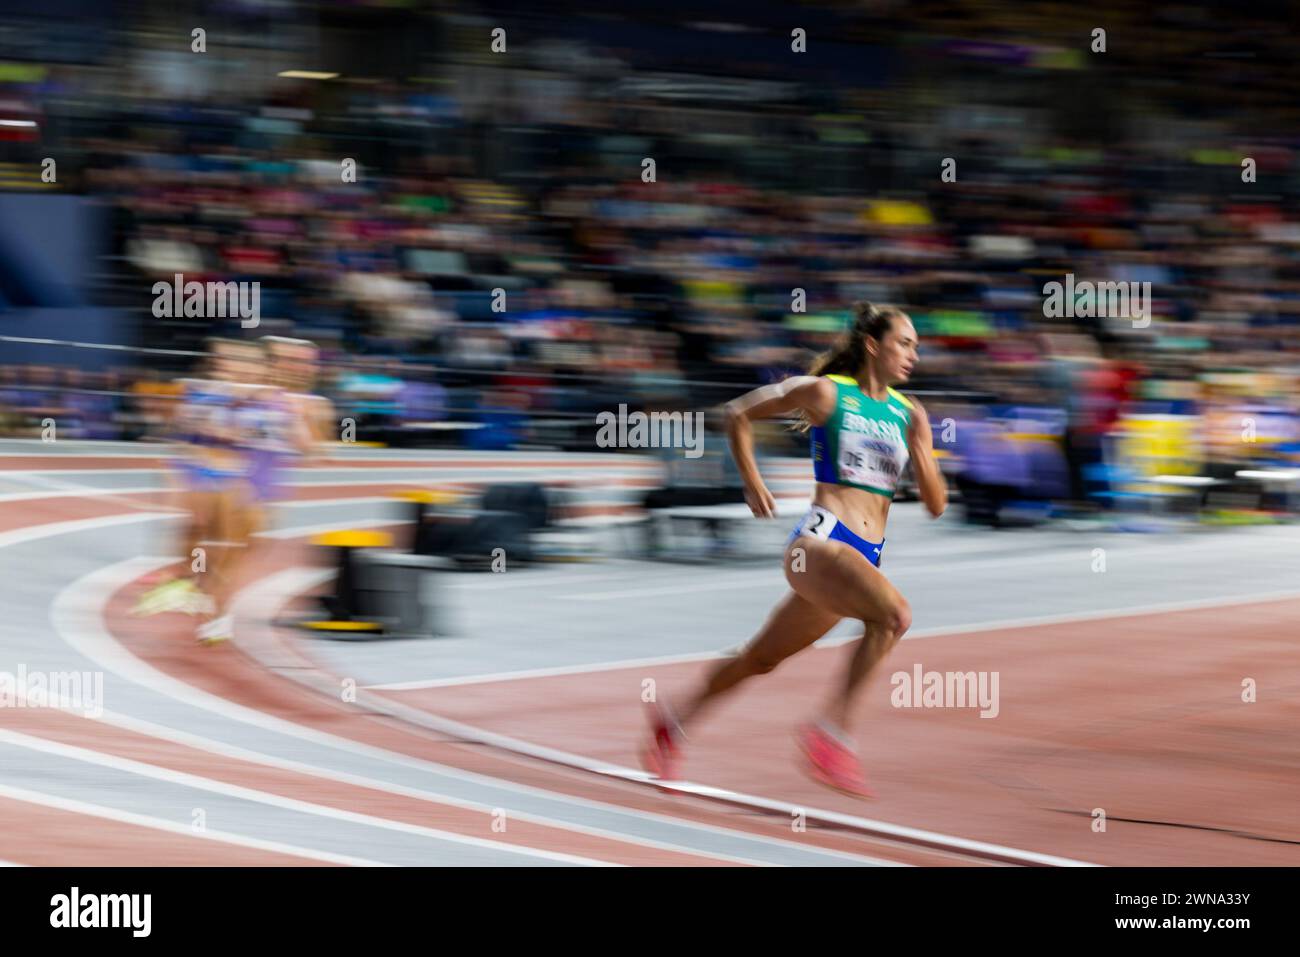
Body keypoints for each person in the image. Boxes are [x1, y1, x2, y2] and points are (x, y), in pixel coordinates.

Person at [639, 303, 947, 796]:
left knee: (758, 659)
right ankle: (831, 733)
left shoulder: (910, 413)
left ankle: (671, 721)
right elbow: (739, 413)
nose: (914, 354)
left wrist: (922, 452)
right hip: (820, 544)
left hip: (860, 558)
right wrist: (751, 481)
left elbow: (936, 505)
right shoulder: (827, 393)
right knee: (894, 616)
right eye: (904, 343)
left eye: (915, 345)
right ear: (874, 345)